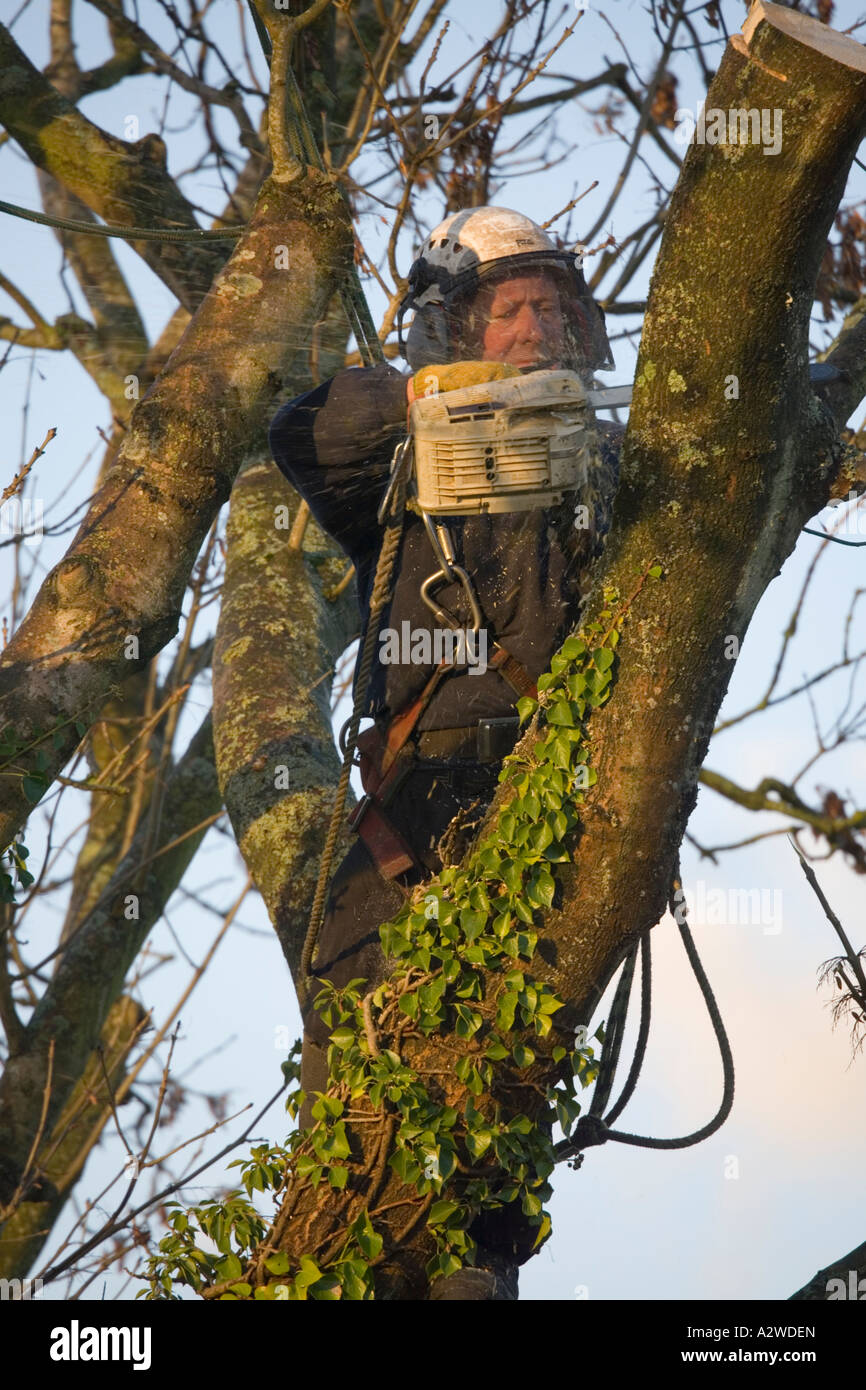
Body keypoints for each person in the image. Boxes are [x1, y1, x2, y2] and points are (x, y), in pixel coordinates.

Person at [268, 206, 621, 1287]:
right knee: (360, 1029)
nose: (538, 325)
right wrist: (429, 397)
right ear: (457, 323)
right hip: (414, 801)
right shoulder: (398, 462)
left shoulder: (607, 467)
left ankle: (475, 1270)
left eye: (552, 306)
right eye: (511, 307)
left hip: (551, 801)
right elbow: (301, 426)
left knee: (501, 1077)